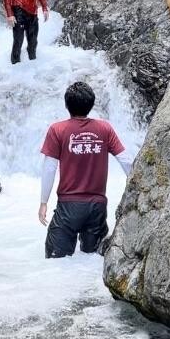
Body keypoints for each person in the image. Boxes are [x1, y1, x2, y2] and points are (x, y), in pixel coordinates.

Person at [38, 82, 133, 258]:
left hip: (68, 207)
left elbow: (49, 168)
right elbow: (126, 160)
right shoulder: (104, 128)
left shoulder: (57, 130)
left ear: (67, 105)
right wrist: (138, 187)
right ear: (91, 103)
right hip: (97, 207)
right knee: (94, 260)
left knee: (55, 261)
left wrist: (44, 202)